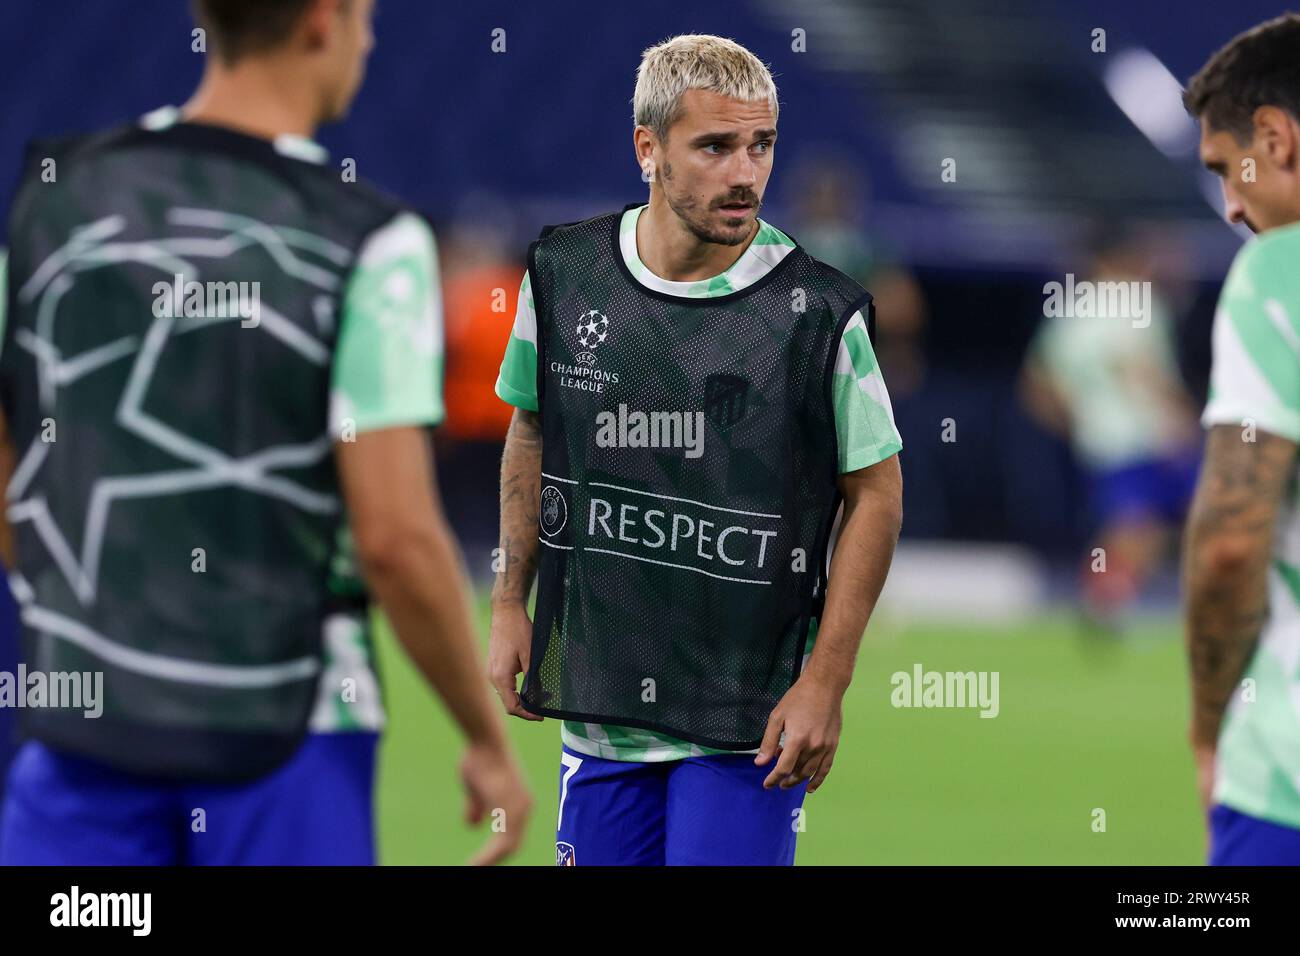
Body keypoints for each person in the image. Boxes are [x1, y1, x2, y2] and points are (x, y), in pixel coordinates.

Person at [0, 0, 529, 865]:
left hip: (85, 728)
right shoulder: (368, 239)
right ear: (323, 21)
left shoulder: (55, 199)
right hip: (291, 738)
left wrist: (86, 602)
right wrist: (484, 738)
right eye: (365, 15)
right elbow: (395, 539)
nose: (370, 36)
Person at [489, 34, 903, 866]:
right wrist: (508, 603)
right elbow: (532, 428)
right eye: (715, 146)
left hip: (743, 714)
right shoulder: (565, 276)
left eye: (762, 145)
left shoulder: (818, 314)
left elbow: (877, 495)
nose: (745, 172)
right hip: (603, 702)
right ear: (648, 147)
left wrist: (827, 680)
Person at [1182, 12, 1300, 866]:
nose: (1229, 205)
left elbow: (1230, 542)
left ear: (1276, 136)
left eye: (1227, 169)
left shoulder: (1275, 273)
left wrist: (1209, 721)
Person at [1021, 227, 1201, 625]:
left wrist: (1076, 424)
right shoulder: (1138, 301)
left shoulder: (1072, 310)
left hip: (1100, 440)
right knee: (1150, 522)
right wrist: (1182, 416)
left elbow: (1038, 383)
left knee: (1139, 523)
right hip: (1147, 432)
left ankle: (1107, 594)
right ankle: (1105, 597)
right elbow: (1142, 369)